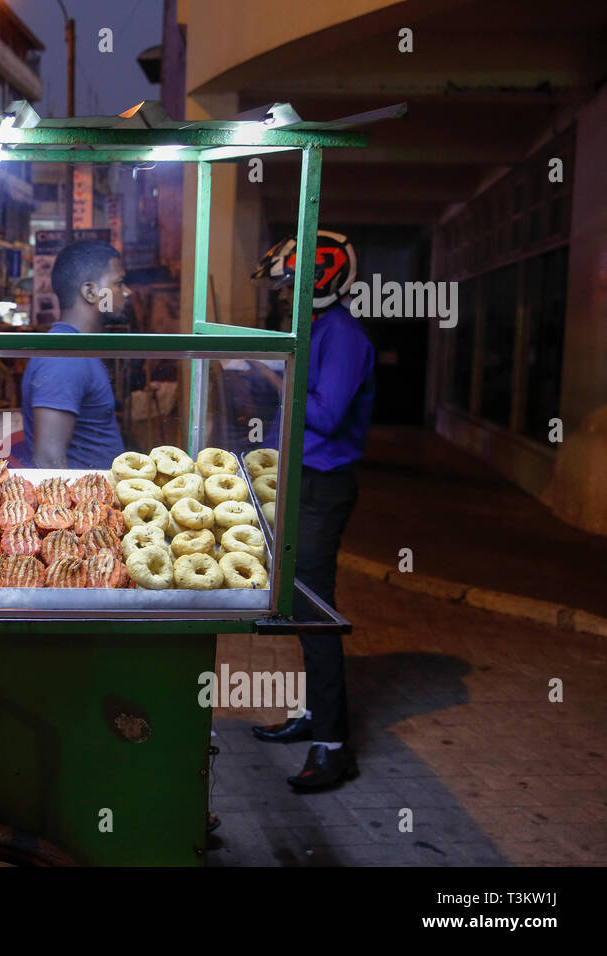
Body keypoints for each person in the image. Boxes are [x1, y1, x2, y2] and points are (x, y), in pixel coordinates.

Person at [248, 230, 375, 792]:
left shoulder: (342, 336)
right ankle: (314, 718)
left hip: (323, 487)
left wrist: (269, 368)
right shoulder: (320, 329)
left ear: (317, 279)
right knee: (300, 606)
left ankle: (334, 747)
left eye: (289, 283)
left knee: (316, 612)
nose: (282, 294)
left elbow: (323, 414)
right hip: (303, 482)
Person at [20, 241, 129, 470]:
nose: (127, 292)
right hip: (86, 503)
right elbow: (48, 459)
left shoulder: (77, 349)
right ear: (90, 292)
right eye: (118, 284)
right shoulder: (65, 359)